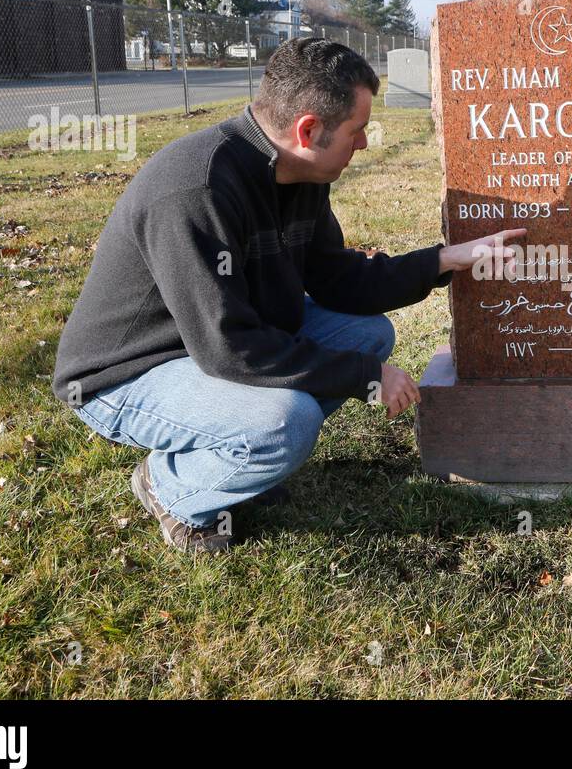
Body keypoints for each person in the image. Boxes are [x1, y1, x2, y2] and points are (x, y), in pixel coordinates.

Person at [52, 37, 521, 552]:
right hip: (131, 371)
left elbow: (337, 281)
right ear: (308, 130)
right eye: (357, 130)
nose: (364, 142)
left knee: (366, 335)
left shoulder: (300, 173)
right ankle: (171, 486)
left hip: (218, 340)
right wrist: (365, 377)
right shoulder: (197, 190)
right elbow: (230, 348)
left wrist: (443, 259)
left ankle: (243, 453)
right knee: (286, 421)